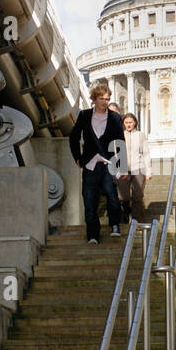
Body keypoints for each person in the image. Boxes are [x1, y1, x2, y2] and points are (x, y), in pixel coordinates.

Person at [68, 81, 125, 245]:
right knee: (89, 199)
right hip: (89, 163)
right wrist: (77, 157)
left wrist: (122, 167)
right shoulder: (84, 115)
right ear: (94, 99)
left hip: (108, 162)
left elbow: (120, 142)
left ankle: (115, 225)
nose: (104, 101)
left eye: (107, 99)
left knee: (112, 195)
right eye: (101, 98)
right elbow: (74, 137)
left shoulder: (115, 117)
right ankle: (93, 234)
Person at [116, 111, 151, 224]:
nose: (128, 125)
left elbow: (146, 153)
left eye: (131, 122)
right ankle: (125, 214)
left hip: (139, 168)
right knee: (123, 197)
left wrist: (148, 171)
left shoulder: (141, 135)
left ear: (135, 122)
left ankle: (137, 221)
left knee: (137, 196)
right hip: (123, 169)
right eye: (126, 122)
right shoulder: (120, 134)